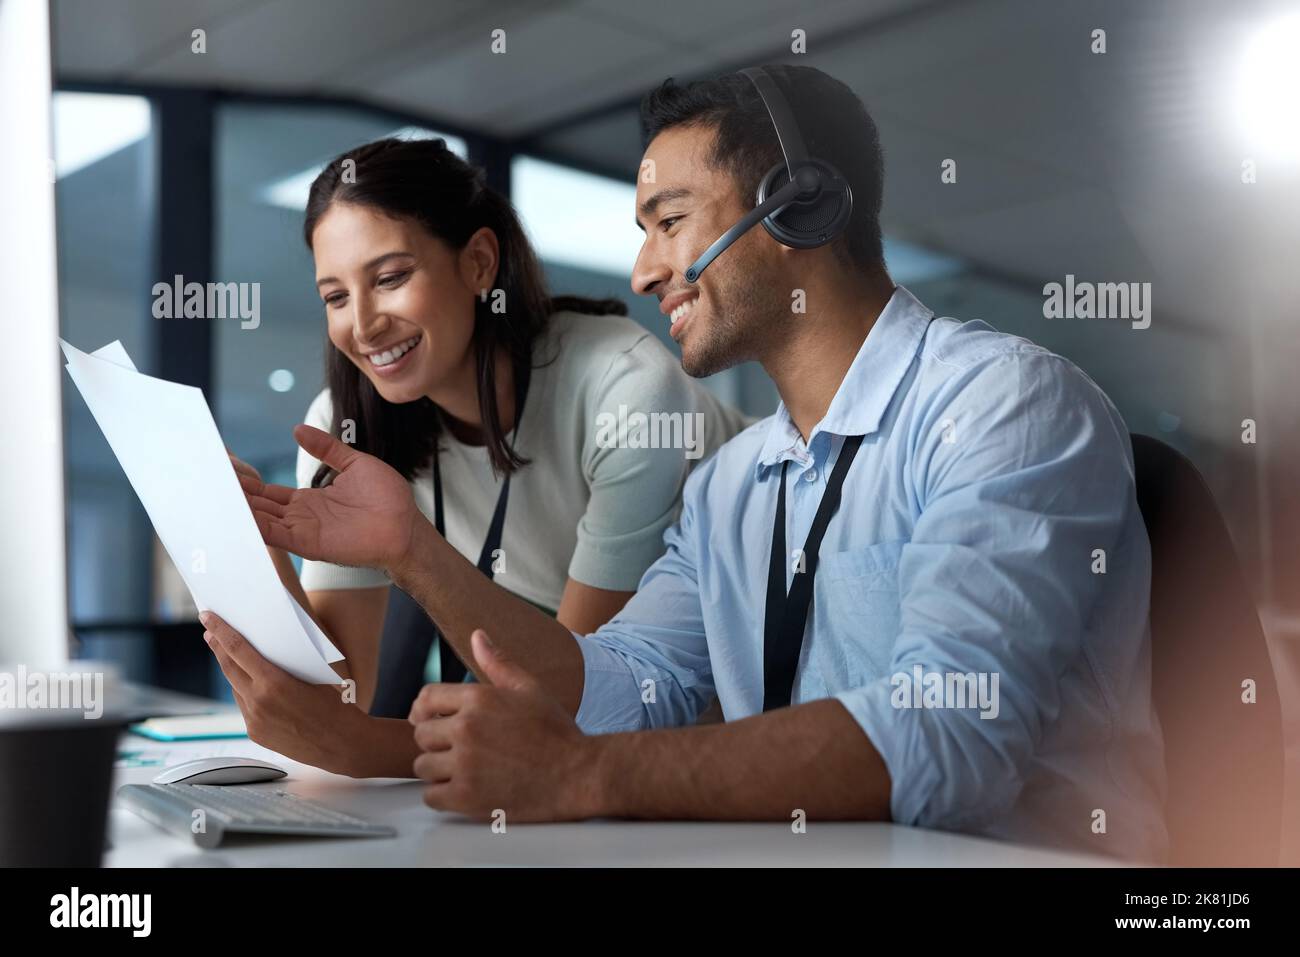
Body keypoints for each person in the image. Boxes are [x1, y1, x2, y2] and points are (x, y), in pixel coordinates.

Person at [210, 65, 1166, 861]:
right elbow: (621, 688)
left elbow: (948, 738)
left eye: (669, 222)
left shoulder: (1001, 405)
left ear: (801, 207)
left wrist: (581, 776)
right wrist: (411, 549)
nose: (641, 271)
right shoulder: (731, 485)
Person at [214, 136, 749, 777]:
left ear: (479, 263)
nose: (362, 324)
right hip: (619, 702)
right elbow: (340, 695)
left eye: (389, 278)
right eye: (334, 297)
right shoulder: (345, 425)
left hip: (738, 684)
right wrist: (260, 541)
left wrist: (363, 750)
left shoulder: (626, 388)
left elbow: (582, 706)